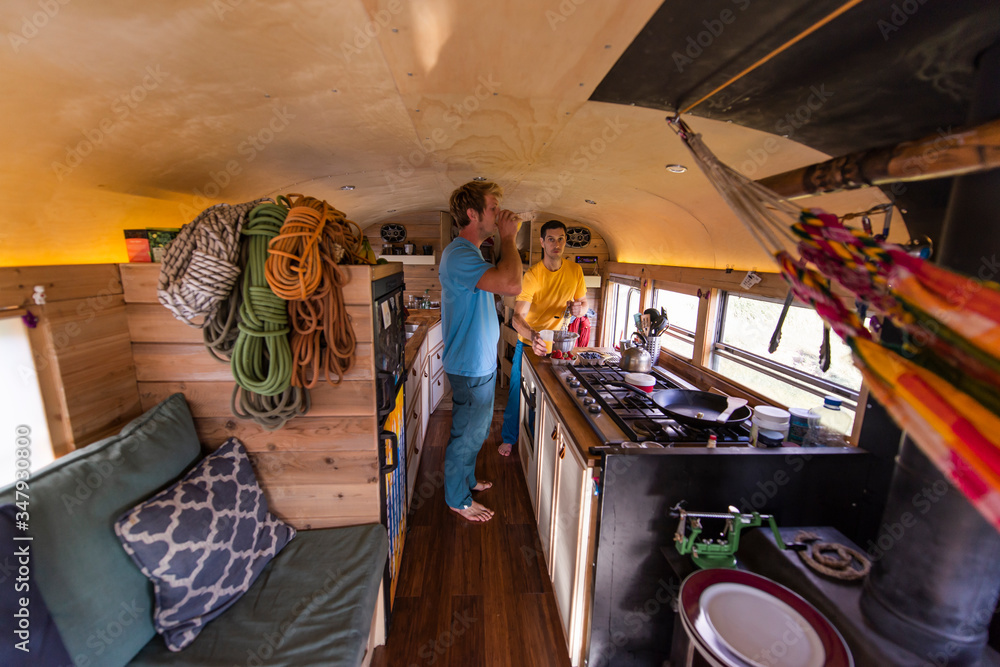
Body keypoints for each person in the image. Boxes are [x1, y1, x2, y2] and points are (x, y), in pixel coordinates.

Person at [439, 181, 522, 522]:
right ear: (472, 214)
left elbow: (505, 280)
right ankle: (456, 499)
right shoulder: (459, 253)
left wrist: (504, 240)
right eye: (492, 207)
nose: (498, 212)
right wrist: (509, 237)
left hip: (478, 363)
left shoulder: (471, 253)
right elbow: (512, 284)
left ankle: (468, 480)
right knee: (467, 433)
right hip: (471, 365)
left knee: (476, 428)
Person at [499, 220, 587, 456]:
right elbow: (517, 318)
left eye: (560, 239)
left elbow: (584, 302)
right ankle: (509, 438)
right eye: (551, 239)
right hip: (529, 343)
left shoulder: (575, 271)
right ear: (542, 242)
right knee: (518, 391)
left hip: (560, 345)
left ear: (565, 241)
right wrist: (533, 335)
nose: (556, 244)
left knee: (556, 396)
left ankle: (539, 441)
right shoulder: (533, 276)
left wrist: (581, 309)